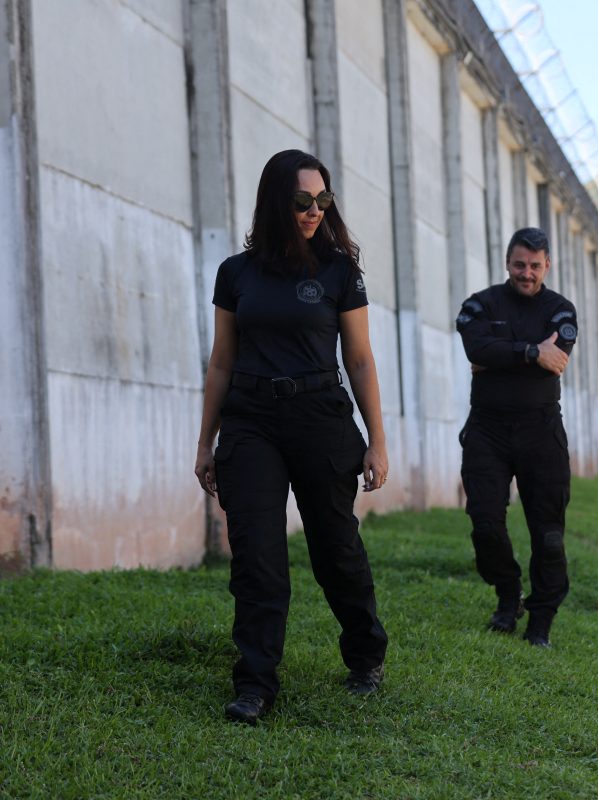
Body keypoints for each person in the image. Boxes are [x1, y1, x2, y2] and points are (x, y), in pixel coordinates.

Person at [194, 149, 389, 724]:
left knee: (335, 548)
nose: (314, 211)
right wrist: (206, 442)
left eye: (323, 200)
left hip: (320, 417)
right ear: (276, 201)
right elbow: (221, 363)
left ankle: (365, 655)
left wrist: (376, 440)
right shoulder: (236, 273)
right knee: (256, 553)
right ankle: (254, 684)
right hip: (250, 419)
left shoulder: (338, 272)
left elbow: (359, 359)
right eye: (303, 201)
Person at [456, 227, 577, 648]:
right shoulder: (481, 304)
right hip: (487, 431)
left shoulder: (561, 309)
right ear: (508, 262)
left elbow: (557, 356)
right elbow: (476, 348)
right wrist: (530, 352)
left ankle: (540, 621)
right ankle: (508, 596)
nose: (527, 273)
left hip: (540, 431)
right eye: (520, 264)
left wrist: (499, 353)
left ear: (547, 265)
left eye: (535, 266)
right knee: (485, 524)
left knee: (548, 534)